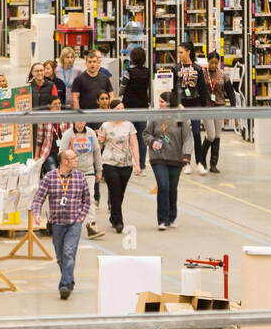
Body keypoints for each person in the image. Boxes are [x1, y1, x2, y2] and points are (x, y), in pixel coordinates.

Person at [30, 148, 90, 300]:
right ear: (64, 161)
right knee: (60, 257)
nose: (76, 159)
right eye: (73, 158)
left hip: (74, 223)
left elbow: (87, 200)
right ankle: (69, 280)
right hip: (57, 223)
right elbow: (38, 198)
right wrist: (36, 214)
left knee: (69, 252)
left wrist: (81, 217)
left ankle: (64, 286)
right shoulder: (50, 177)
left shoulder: (80, 177)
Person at [96, 99, 141, 233]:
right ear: (111, 110)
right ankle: (119, 222)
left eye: (122, 109)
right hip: (109, 162)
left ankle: (113, 216)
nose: (121, 111)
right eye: (118, 109)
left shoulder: (129, 125)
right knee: (115, 191)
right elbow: (99, 145)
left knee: (120, 193)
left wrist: (137, 163)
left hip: (126, 163)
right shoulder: (105, 126)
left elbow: (134, 144)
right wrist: (96, 164)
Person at [149, 90, 190, 229]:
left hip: (176, 158)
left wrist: (186, 155)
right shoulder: (155, 117)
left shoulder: (180, 118)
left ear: (169, 103)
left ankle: (171, 217)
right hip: (158, 157)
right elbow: (146, 133)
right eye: (159, 102)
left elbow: (187, 137)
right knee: (163, 186)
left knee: (172, 188)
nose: (159, 104)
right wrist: (152, 141)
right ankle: (162, 220)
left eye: (162, 102)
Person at [59, 120, 105, 238]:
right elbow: (61, 153)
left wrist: (99, 170)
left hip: (89, 170)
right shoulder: (68, 134)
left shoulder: (91, 133)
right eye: (78, 121)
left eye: (83, 121)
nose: (81, 124)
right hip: (73, 172)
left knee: (90, 197)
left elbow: (97, 152)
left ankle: (91, 225)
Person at [172, 43, 208, 174]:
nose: (179, 55)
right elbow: (173, 89)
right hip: (181, 105)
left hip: (195, 104)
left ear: (188, 52)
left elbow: (202, 90)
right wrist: (177, 103)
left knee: (197, 133)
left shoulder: (198, 69)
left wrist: (204, 108)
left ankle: (199, 162)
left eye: (181, 52)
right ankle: (186, 162)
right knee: (184, 134)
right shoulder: (175, 69)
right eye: (178, 52)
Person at [201, 51, 236, 174]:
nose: (214, 65)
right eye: (212, 63)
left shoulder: (223, 75)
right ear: (208, 61)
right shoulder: (202, 74)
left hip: (220, 107)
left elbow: (230, 92)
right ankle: (201, 160)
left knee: (217, 136)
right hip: (206, 108)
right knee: (210, 135)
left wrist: (233, 107)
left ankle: (213, 164)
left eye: (216, 63)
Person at [119, 45, 152, 171]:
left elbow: (122, 89)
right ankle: (141, 165)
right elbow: (149, 89)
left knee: (127, 135)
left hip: (129, 107)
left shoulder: (129, 72)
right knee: (141, 137)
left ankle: (127, 163)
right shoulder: (147, 72)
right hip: (143, 107)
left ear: (132, 58)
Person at [70, 49, 113, 120]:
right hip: (85, 114)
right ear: (86, 63)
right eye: (90, 62)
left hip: (102, 114)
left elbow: (111, 95)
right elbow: (75, 98)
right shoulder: (79, 79)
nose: (92, 64)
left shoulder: (105, 78)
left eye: (94, 62)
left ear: (98, 63)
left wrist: (107, 109)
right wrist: (78, 115)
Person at [33, 97, 69, 173]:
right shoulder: (43, 119)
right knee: (54, 173)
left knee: (64, 173)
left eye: (59, 103)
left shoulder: (66, 117)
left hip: (63, 152)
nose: (58, 106)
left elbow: (71, 136)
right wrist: (36, 156)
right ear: (49, 106)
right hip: (49, 152)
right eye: (55, 104)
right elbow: (39, 140)